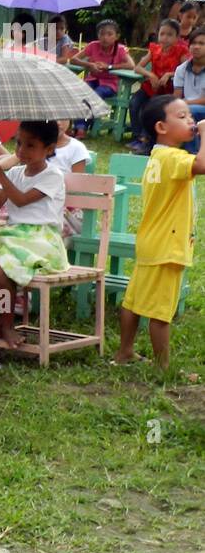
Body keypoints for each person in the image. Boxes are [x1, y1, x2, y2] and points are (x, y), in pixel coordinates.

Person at [115, 96, 205, 367]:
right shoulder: (174, 157)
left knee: (133, 301)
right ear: (161, 128)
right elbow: (201, 166)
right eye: (181, 116)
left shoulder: (156, 155)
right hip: (168, 245)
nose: (190, 120)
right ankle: (162, 366)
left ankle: (125, 351)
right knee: (160, 312)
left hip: (150, 242)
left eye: (190, 115)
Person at [0, 121, 69, 348]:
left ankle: (7, 325)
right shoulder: (15, 172)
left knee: (3, 269)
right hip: (12, 235)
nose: (21, 151)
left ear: (49, 149)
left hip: (41, 238)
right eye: (19, 143)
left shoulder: (53, 175)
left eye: (30, 146)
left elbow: (21, 200)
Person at [129, 18, 188, 154]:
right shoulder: (154, 49)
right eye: (162, 34)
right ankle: (137, 135)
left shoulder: (181, 51)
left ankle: (146, 139)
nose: (165, 38)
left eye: (170, 34)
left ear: (177, 37)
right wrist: (150, 75)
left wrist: (170, 74)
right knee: (134, 103)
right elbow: (137, 67)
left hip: (169, 90)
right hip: (151, 86)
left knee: (151, 108)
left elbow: (186, 70)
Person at [72, 19, 134, 136]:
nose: (105, 37)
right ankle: (80, 126)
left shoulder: (120, 49)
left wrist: (109, 67)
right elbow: (74, 59)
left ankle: (81, 128)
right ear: (98, 35)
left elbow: (131, 65)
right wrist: (89, 65)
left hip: (110, 84)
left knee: (95, 95)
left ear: (117, 36)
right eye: (102, 34)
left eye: (109, 34)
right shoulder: (93, 46)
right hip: (92, 79)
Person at [172, 27, 205, 151]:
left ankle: (193, 153)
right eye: (193, 43)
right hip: (186, 107)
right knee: (163, 110)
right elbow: (176, 95)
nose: (196, 47)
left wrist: (185, 104)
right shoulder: (182, 69)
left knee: (190, 112)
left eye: (201, 43)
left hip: (194, 108)